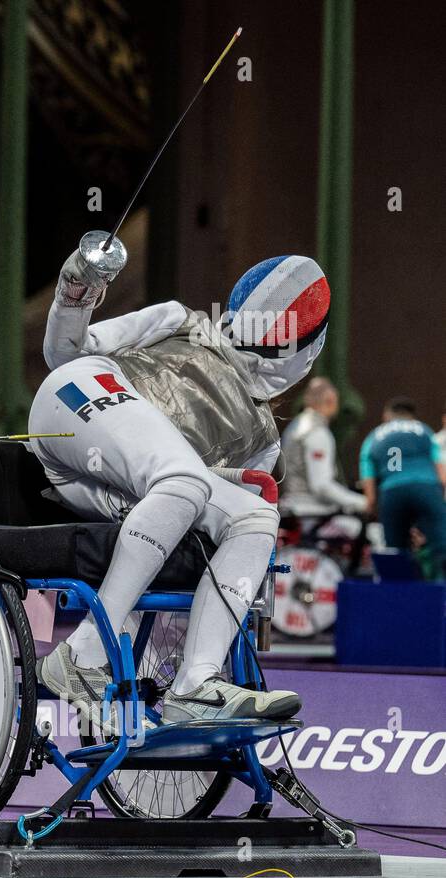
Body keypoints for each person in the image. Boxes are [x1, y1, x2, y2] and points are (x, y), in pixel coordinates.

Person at [28, 240, 327, 727]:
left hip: (121, 493)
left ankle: (196, 684)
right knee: (185, 478)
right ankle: (82, 656)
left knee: (255, 518)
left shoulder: (264, 439)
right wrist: (75, 292)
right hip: (80, 398)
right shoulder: (181, 321)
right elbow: (64, 353)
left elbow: (208, 520)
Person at [358, 396, 446, 577]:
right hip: (427, 490)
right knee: (440, 548)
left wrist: (373, 507)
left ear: (386, 416)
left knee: (396, 553)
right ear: (411, 417)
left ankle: (400, 599)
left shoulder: (374, 436)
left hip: (392, 493)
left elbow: (370, 487)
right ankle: (440, 595)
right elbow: (442, 475)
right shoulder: (424, 431)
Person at [280, 377, 367, 526]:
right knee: (370, 533)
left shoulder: (294, 426)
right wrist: (362, 502)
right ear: (331, 401)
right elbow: (321, 486)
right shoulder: (317, 433)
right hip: (311, 512)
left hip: (293, 508)